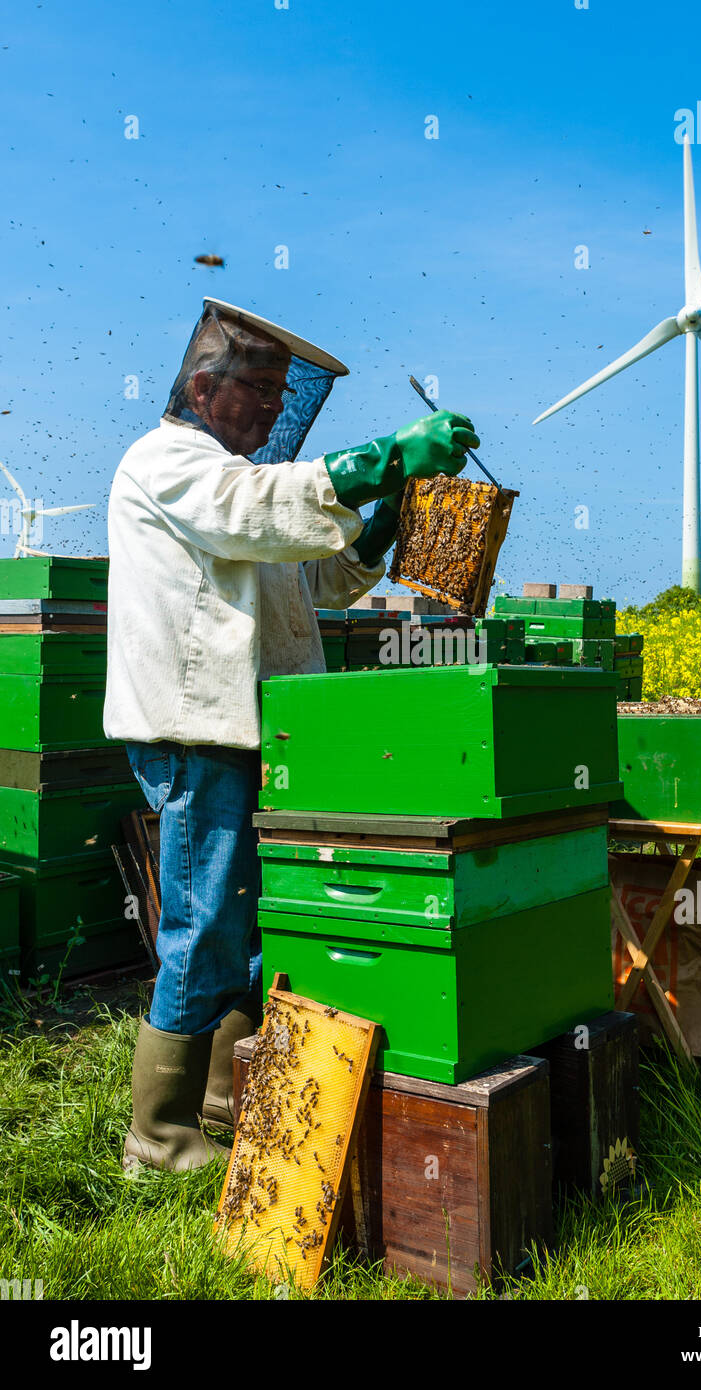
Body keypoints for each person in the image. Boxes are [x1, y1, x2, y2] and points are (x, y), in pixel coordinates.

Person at [103, 298, 479, 1171]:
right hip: (198, 730)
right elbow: (251, 510)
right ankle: (156, 1138)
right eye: (261, 388)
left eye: (282, 393)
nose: (275, 408)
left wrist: (384, 510)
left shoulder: (235, 481)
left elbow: (321, 576)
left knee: (252, 919)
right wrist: (383, 457)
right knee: (204, 924)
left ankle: (227, 1102)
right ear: (204, 385)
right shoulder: (167, 463)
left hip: (267, 730)